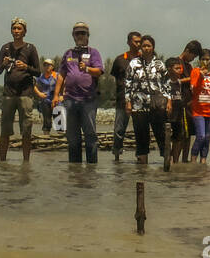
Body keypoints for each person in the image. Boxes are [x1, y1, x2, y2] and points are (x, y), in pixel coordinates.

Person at [54, 22, 104, 164]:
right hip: (70, 99)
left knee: (90, 135)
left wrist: (87, 69)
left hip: (88, 100)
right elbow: (61, 75)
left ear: (88, 35)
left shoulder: (93, 52)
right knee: (73, 137)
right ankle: (74, 171)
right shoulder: (68, 54)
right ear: (73, 36)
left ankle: (91, 168)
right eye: (78, 33)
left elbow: (99, 71)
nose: (80, 36)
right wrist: (56, 95)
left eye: (83, 33)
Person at [0, 17, 41, 162]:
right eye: (14, 28)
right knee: (5, 131)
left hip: (25, 94)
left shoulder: (30, 48)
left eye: (19, 28)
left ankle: (26, 162)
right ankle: (2, 163)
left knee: (26, 130)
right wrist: (3, 64)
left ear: (24, 31)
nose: (16, 31)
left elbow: (38, 72)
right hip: (9, 94)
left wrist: (26, 67)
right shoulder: (5, 48)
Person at [125, 34, 171, 168]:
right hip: (139, 106)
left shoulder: (160, 64)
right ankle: (142, 169)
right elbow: (128, 83)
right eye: (144, 45)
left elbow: (167, 84)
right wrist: (128, 102)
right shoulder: (134, 63)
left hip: (157, 106)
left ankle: (167, 164)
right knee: (141, 137)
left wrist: (169, 102)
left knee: (161, 134)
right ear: (140, 47)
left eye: (149, 46)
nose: (146, 48)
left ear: (153, 47)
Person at [108, 31, 141, 162]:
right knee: (119, 129)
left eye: (140, 41)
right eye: (135, 41)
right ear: (128, 42)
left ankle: (140, 155)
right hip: (123, 99)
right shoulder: (120, 59)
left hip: (140, 100)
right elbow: (116, 78)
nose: (138, 44)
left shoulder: (143, 59)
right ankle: (117, 156)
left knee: (140, 129)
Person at [189, 50, 210, 162]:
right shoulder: (195, 71)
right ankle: (193, 161)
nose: (205, 62)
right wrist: (201, 77)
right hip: (198, 111)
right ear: (199, 60)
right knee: (200, 136)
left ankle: (203, 162)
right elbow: (194, 89)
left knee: (207, 138)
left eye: (207, 59)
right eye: (203, 59)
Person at [166, 57, 193, 163]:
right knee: (168, 138)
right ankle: (168, 159)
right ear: (169, 69)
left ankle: (175, 161)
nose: (180, 71)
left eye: (180, 68)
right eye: (176, 68)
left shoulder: (178, 83)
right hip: (168, 115)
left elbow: (185, 81)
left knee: (179, 137)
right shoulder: (165, 83)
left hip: (179, 114)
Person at [34, 59, 59, 133]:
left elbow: (65, 84)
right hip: (45, 101)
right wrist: (39, 93)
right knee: (46, 121)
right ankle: (46, 137)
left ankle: (61, 138)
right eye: (45, 65)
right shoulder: (41, 76)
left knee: (59, 121)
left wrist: (62, 95)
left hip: (57, 101)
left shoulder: (56, 75)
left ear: (53, 66)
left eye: (49, 65)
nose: (47, 66)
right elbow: (32, 84)